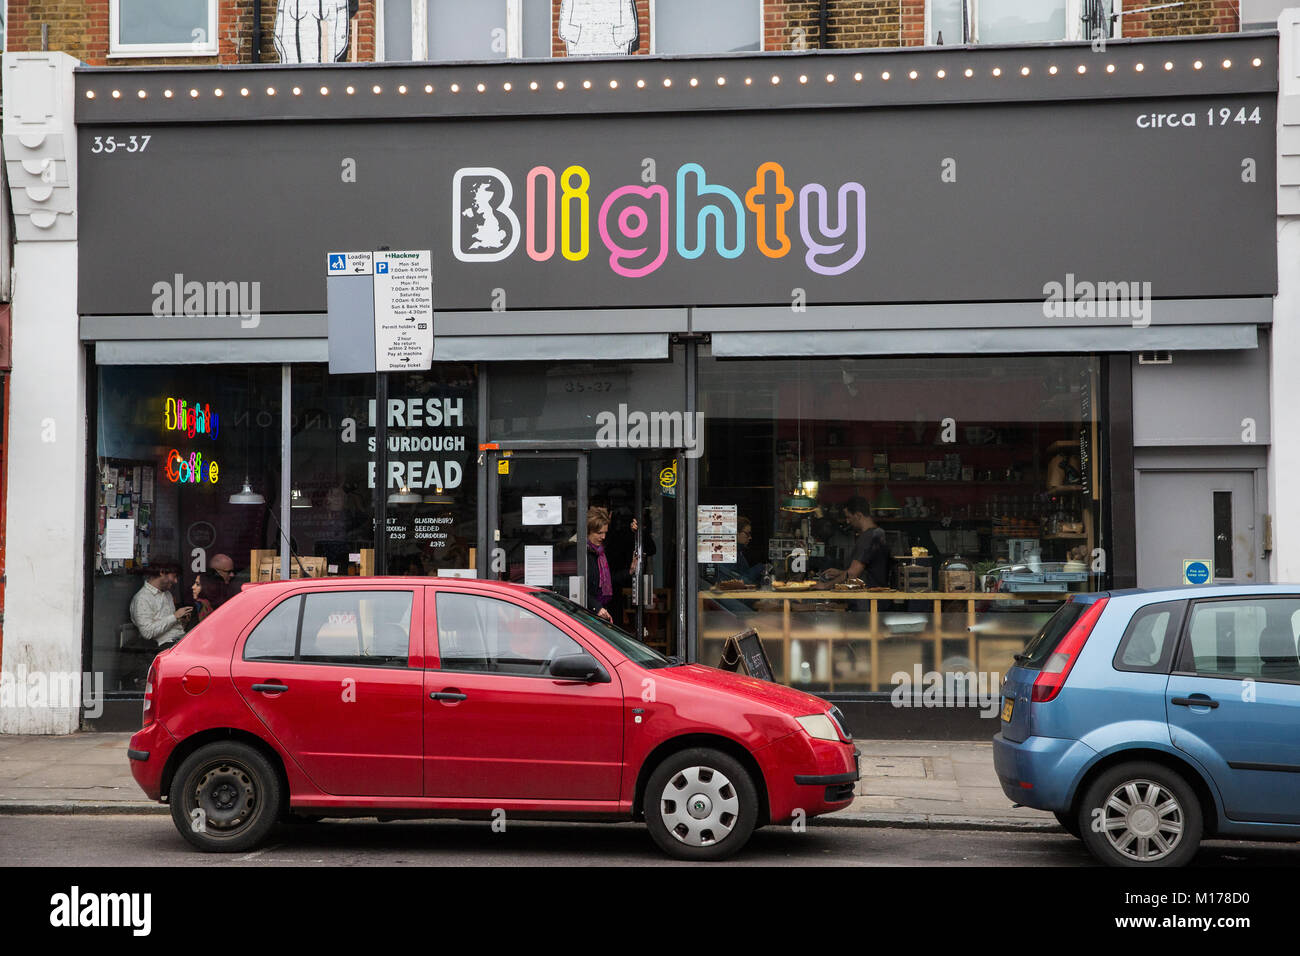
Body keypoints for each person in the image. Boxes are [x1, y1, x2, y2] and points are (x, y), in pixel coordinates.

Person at [585, 506, 637, 624]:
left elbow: (607, 579)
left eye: (605, 533)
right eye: (599, 533)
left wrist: (629, 571)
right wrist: (596, 607)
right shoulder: (580, 553)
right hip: (586, 615)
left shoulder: (601, 553)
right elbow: (576, 588)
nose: (603, 537)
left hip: (601, 612)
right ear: (588, 531)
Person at [824, 496, 890, 588]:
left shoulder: (868, 537)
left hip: (869, 595)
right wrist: (841, 573)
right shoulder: (878, 533)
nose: (847, 521)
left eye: (849, 517)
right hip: (877, 593)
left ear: (858, 515)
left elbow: (852, 574)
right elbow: (867, 572)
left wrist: (825, 585)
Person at [129, 563, 189, 649]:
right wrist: (175, 616)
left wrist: (182, 621)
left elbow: (169, 624)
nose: (176, 581)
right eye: (174, 576)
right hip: (164, 646)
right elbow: (147, 633)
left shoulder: (167, 594)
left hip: (180, 640)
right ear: (162, 572)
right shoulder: (142, 598)